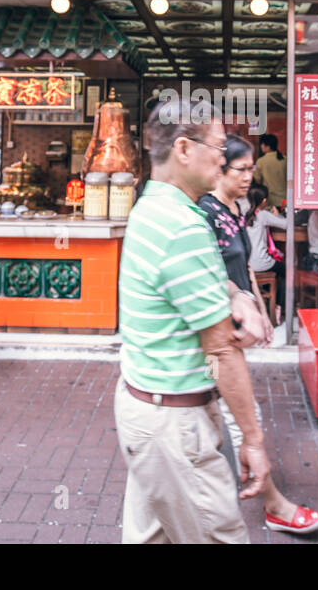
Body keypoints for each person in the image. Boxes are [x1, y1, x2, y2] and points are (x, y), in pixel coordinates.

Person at [115, 96, 272, 544]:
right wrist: (253, 439)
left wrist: (236, 292)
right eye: (219, 147)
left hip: (147, 409)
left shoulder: (156, 207)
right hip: (173, 429)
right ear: (184, 149)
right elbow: (221, 348)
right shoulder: (182, 226)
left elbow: (190, 278)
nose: (225, 159)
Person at [199, 135, 318, 535]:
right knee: (242, 417)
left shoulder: (235, 208)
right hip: (217, 329)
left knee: (216, 418)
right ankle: (274, 504)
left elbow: (244, 265)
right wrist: (238, 305)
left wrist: (259, 306)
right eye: (243, 169)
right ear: (219, 169)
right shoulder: (203, 212)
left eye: (252, 168)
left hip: (237, 321)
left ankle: (217, 495)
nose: (249, 177)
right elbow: (210, 275)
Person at [245, 184, 287, 280]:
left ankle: (267, 290)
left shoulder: (244, 213)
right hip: (261, 262)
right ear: (264, 201)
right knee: (286, 272)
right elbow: (286, 224)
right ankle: (279, 295)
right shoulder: (263, 215)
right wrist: (278, 216)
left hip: (246, 263)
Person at [252, 132, 287, 209]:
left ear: (267, 146)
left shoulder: (261, 161)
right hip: (285, 200)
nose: (261, 146)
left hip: (270, 201)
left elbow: (258, 180)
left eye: (262, 144)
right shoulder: (285, 159)